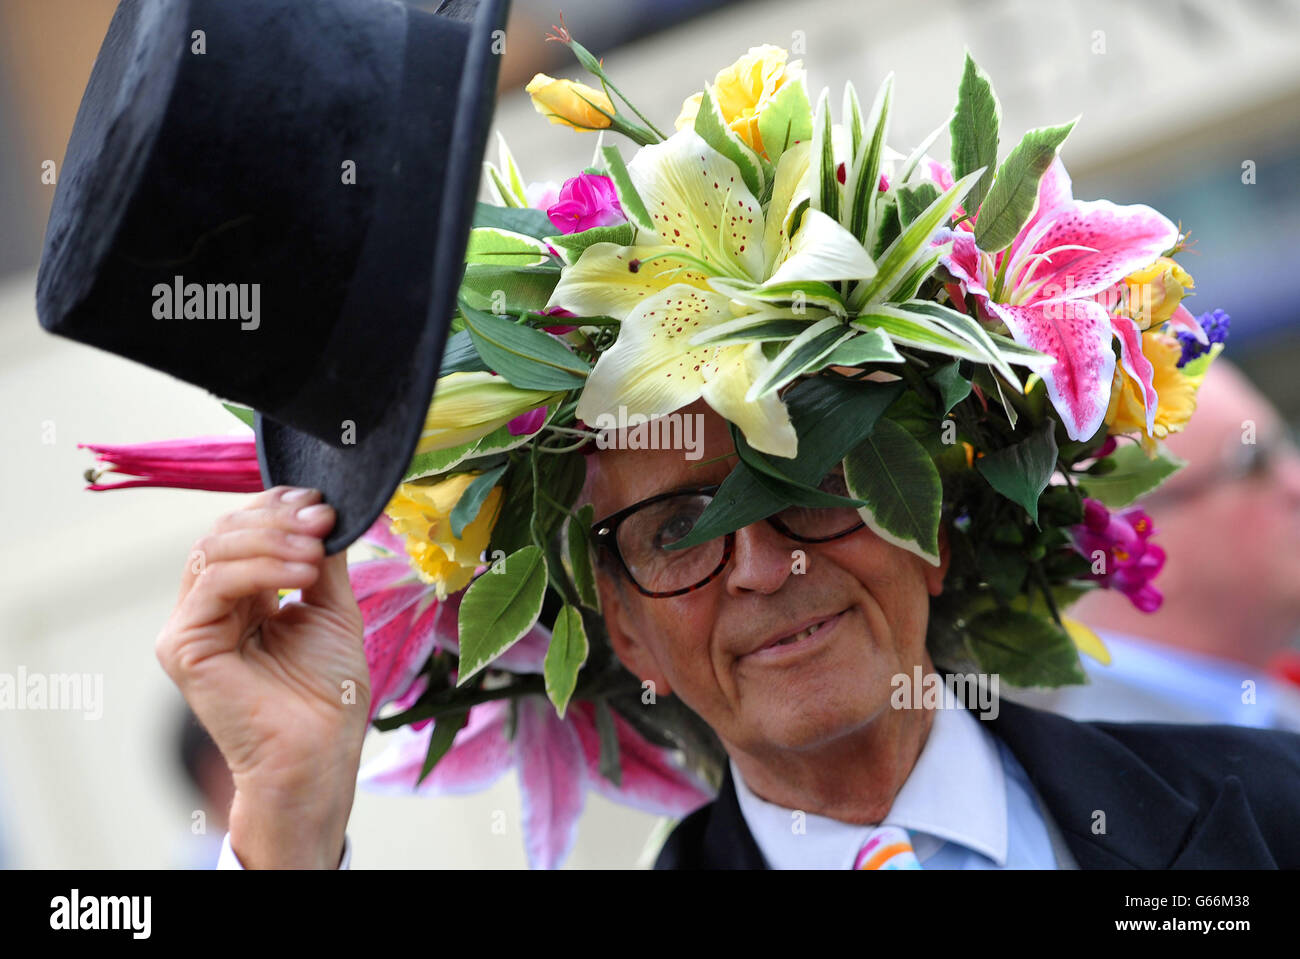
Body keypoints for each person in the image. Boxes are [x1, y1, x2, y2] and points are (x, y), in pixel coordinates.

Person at [156, 399, 1300, 870]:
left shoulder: (1270, 804)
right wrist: (287, 815)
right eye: (677, 529)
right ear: (627, 631)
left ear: (927, 528)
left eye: (803, 485)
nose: (766, 564)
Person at [1010, 361, 1300, 730]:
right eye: (1254, 463)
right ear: (1133, 543)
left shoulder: (1271, 716)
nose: (1296, 484)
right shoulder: (1081, 758)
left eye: (1286, 444)